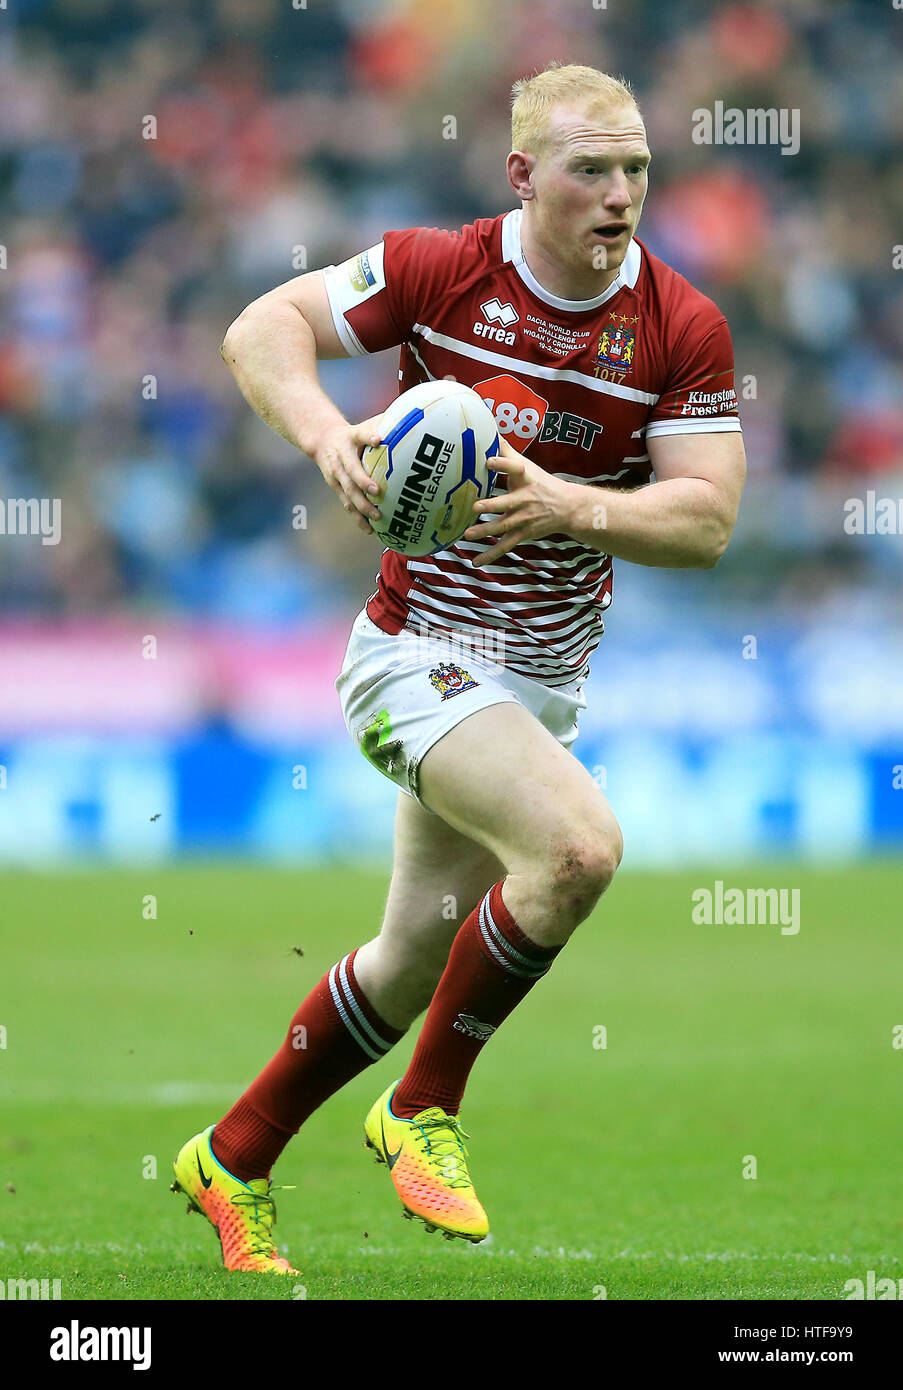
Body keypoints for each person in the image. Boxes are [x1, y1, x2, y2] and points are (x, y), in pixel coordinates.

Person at [170, 62, 746, 1274]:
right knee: (579, 850)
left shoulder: (683, 325)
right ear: (524, 175)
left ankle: (232, 1156)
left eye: (637, 168)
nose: (622, 193)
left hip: (537, 689)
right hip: (410, 660)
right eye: (592, 169)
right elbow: (257, 328)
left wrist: (571, 508)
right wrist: (331, 436)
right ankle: (425, 1110)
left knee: (405, 960)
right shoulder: (440, 267)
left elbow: (706, 520)